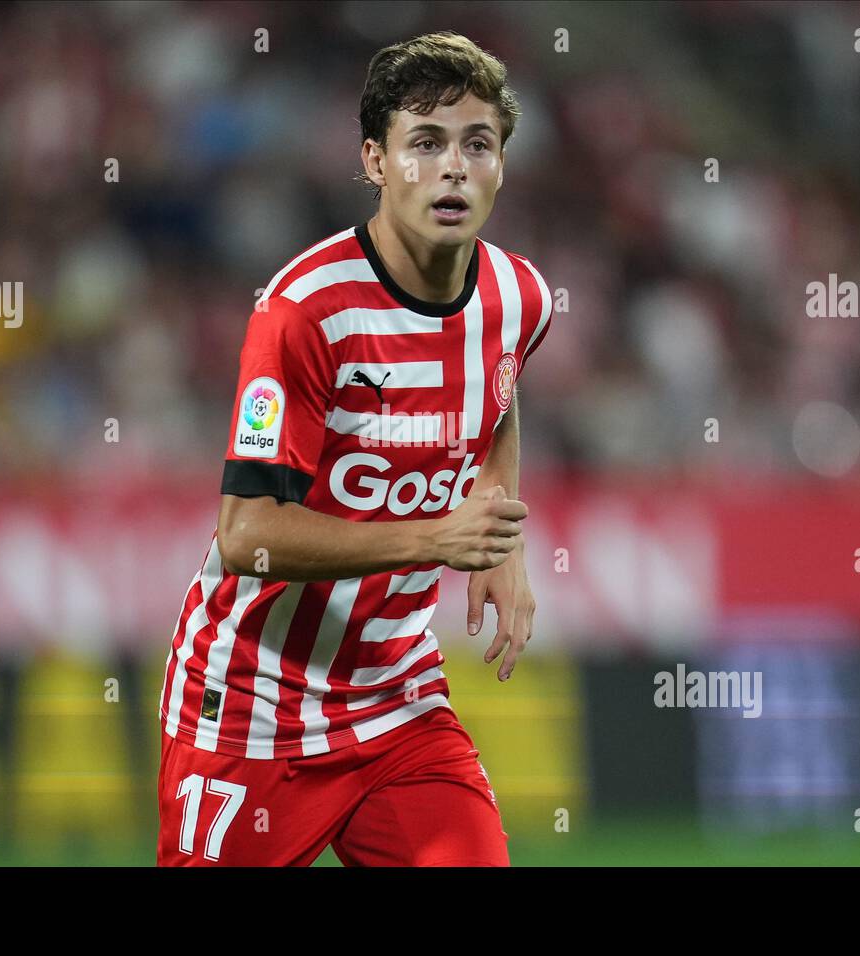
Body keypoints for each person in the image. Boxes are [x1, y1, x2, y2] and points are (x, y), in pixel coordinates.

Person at [157, 30, 552, 866]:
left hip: (397, 703)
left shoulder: (520, 298)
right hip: (250, 709)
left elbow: (501, 390)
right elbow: (248, 537)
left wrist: (494, 527)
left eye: (478, 144)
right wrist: (433, 539)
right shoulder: (304, 312)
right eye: (426, 143)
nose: (454, 167)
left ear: (502, 165)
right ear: (375, 162)